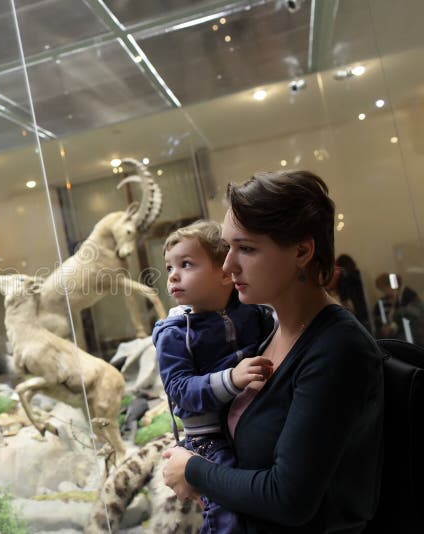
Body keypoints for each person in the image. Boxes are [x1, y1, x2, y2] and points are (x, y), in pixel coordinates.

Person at [162, 170, 383, 533]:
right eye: (227, 247)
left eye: (246, 248)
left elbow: (288, 497)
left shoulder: (337, 348)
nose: (229, 264)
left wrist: (193, 470)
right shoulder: (273, 328)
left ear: (302, 250)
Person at [154, 220, 275, 534]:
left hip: (247, 425)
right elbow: (179, 389)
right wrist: (231, 379)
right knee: (226, 514)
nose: (173, 276)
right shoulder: (174, 334)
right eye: (169, 268)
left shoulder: (252, 312)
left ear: (225, 273)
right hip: (208, 439)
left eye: (186, 264)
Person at [373, 272, 423, 344]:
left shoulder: (408, 295)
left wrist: (393, 326)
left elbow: (411, 316)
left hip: (413, 334)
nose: (384, 293)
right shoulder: (392, 298)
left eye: (383, 290)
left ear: (389, 286)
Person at [331, 254, 372, 333]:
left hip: (354, 312)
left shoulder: (343, 279)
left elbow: (343, 298)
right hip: (364, 310)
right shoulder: (359, 275)